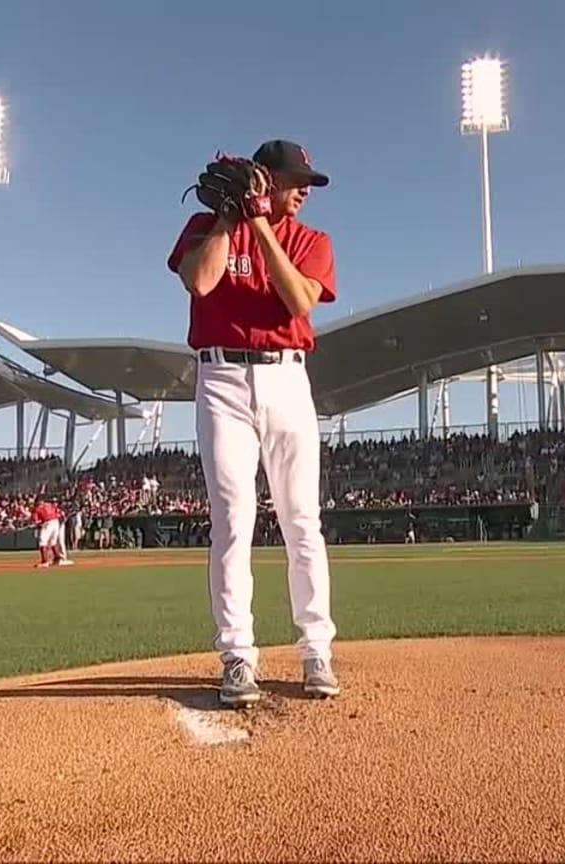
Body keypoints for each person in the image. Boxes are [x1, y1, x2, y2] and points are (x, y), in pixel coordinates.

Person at [167, 139, 340, 706]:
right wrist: (227, 218)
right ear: (264, 179)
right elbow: (200, 282)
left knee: (301, 521)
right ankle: (237, 655)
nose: (302, 195)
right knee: (233, 522)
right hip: (220, 380)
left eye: (306, 186)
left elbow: (299, 303)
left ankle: (316, 650)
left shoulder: (310, 240)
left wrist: (263, 225)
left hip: (288, 377)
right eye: (295, 183)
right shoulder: (204, 223)